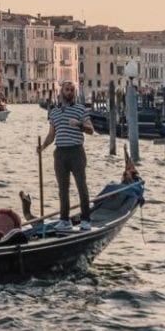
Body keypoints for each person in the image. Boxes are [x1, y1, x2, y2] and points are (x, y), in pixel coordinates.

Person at [40, 81, 95, 228]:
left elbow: (91, 130)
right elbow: (52, 135)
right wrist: (42, 147)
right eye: (67, 89)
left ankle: (86, 220)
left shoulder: (80, 109)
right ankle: (64, 220)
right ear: (61, 92)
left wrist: (79, 124)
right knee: (62, 188)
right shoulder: (54, 112)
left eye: (72, 90)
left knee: (81, 186)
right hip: (60, 153)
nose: (70, 92)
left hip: (76, 151)